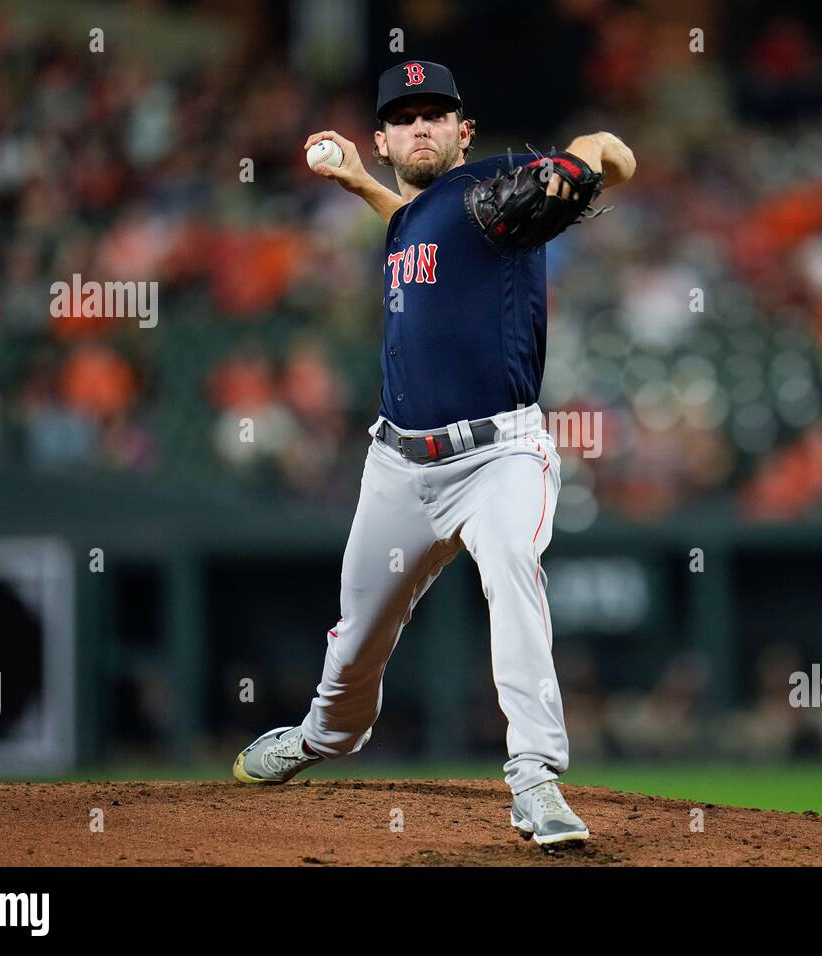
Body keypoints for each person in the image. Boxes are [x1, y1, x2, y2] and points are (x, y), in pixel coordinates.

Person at [232, 60, 635, 846]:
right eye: (405, 116)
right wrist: (355, 184)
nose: (422, 125)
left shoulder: (498, 191)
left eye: (436, 113)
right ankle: (322, 738)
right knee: (356, 637)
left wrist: (587, 158)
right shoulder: (410, 221)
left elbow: (610, 150)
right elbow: (419, 231)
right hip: (398, 465)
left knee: (513, 571)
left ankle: (535, 779)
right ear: (382, 138)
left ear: (464, 130)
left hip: (500, 457)